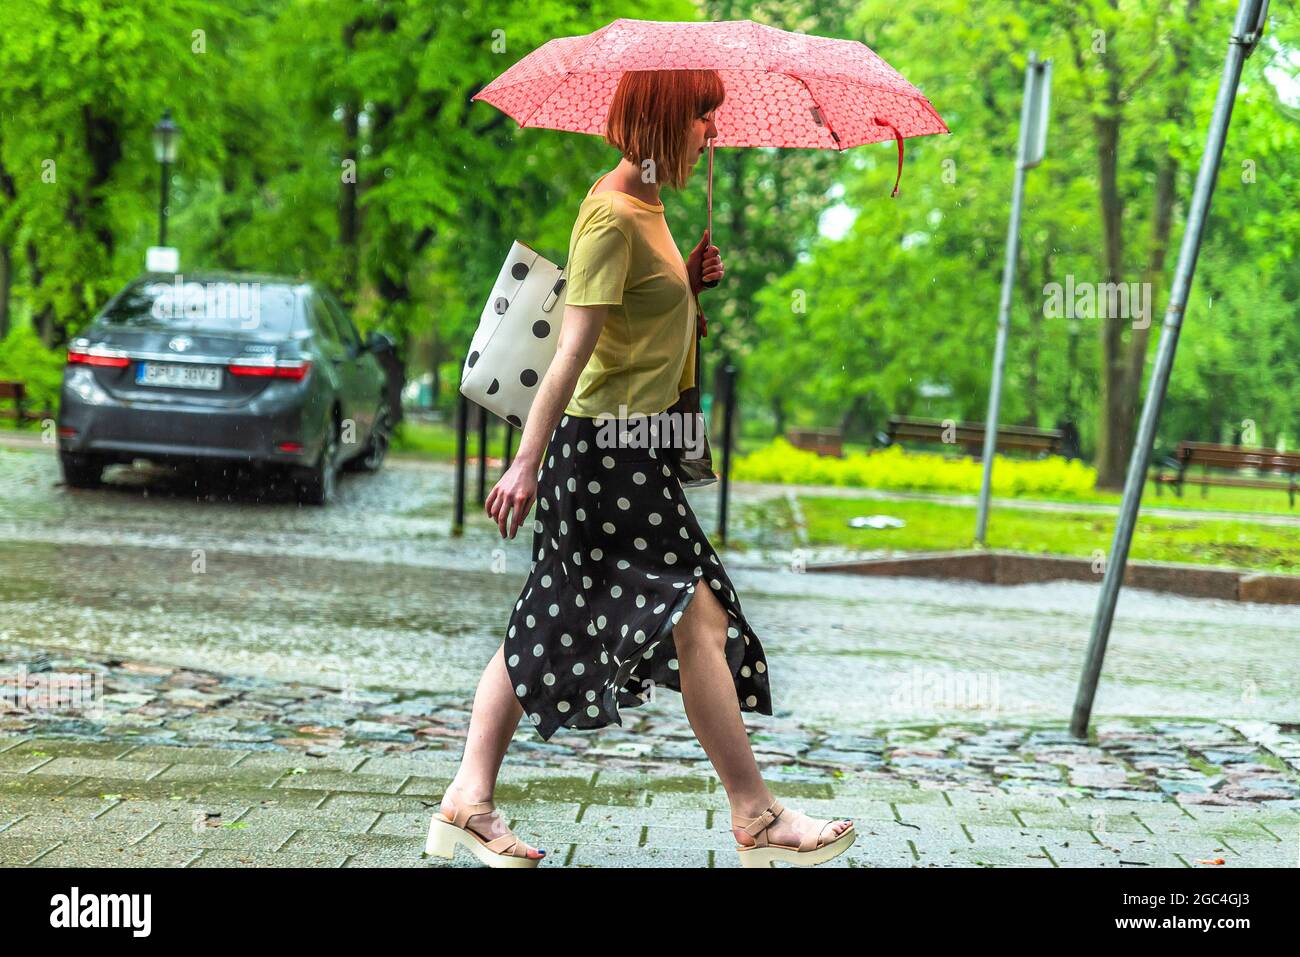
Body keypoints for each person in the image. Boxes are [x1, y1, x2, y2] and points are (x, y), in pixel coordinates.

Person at [425, 69, 855, 869]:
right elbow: (570, 356)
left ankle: (468, 799)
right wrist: (525, 462)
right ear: (663, 119)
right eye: (702, 118)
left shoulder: (651, 208)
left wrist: (685, 284)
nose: (712, 133)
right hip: (600, 456)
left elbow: (635, 324)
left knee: (583, 616)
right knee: (688, 619)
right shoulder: (611, 217)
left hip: (634, 452)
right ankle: (755, 814)